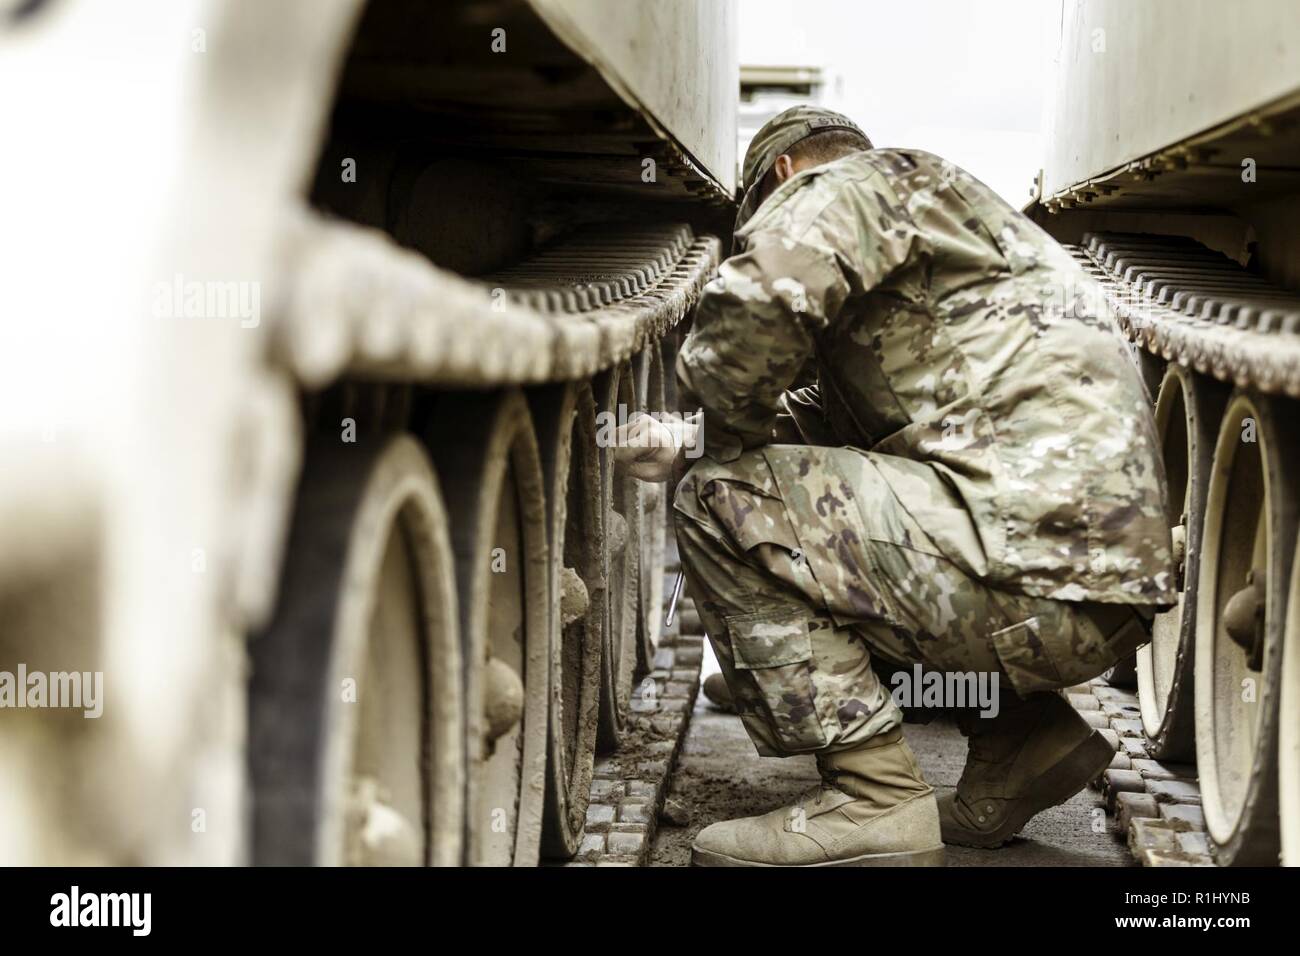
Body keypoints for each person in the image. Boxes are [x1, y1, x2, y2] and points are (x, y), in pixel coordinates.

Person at [614, 106, 1172, 867]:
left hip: (1021, 566)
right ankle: (1021, 741)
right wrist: (690, 436)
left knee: (718, 499)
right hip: (1092, 595)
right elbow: (813, 428)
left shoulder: (850, 183)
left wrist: (710, 428)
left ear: (782, 176)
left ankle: (870, 796)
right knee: (814, 515)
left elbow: (758, 304)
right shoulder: (943, 231)